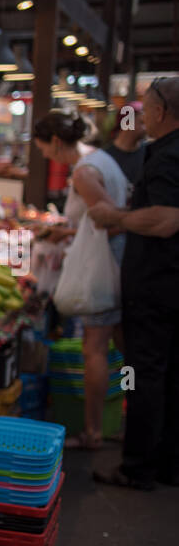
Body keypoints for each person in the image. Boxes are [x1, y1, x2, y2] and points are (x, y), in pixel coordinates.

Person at [87, 77, 179, 489]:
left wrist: (118, 219)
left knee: (143, 374)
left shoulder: (165, 158)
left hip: (158, 287)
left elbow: (166, 219)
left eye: (145, 108)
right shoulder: (163, 153)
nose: (141, 115)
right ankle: (166, 464)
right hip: (167, 286)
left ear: (160, 111)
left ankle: (137, 466)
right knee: (167, 373)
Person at [32, 110, 131, 450]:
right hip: (117, 262)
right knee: (122, 347)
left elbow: (110, 219)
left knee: (95, 349)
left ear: (57, 142)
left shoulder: (84, 172)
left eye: (44, 150)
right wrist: (69, 231)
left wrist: (73, 234)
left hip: (104, 267)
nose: (45, 156)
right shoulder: (99, 159)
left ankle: (93, 431)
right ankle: (126, 419)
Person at [102, 102, 147, 187]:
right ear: (127, 123)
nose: (146, 127)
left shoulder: (149, 153)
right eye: (142, 122)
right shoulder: (105, 157)